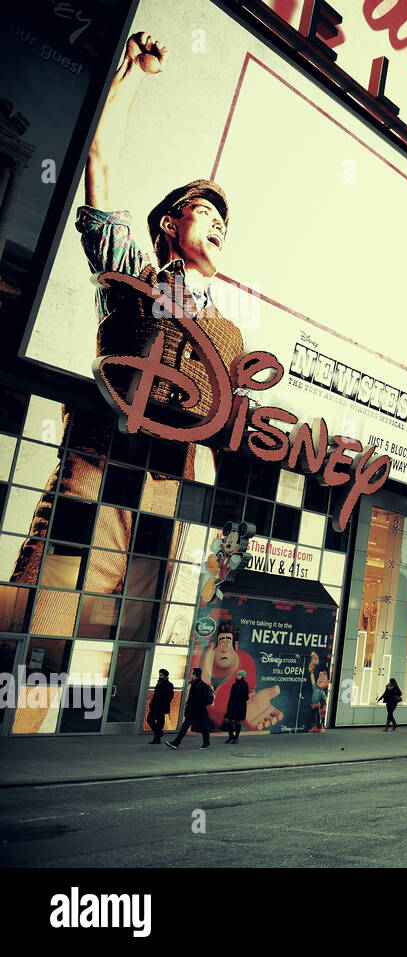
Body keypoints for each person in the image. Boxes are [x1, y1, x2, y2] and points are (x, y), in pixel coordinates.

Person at [9, 30, 244, 635]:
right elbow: (100, 160)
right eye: (205, 213)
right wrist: (134, 71)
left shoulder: (230, 332)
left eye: (224, 221)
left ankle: (117, 721)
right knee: (50, 606)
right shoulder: (132, 276)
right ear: (169, 224)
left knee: (142, 629)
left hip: (177, 481)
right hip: (98, 461)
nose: (219, 225)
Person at [167, 668, 214, 750]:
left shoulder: (202, 685)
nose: (191, 675)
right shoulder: (194, 684)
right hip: (193, 710)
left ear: (195, 675)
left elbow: (205, 699)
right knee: (185, 727)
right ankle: (176, 743)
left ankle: (206, 742)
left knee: (203, 727)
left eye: (192, 674)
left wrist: (198, 704)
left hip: (199, 711)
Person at [146, 669, 174, 744]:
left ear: (165, 676)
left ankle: (157, 739)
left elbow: (169, 697)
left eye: (161, 675)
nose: (160, 676)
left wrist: (163, 704)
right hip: (155, 706)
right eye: (159, 674)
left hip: (161, 707)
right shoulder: (159, 683)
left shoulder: (168, 685)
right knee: (150, 720)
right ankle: (159, 733)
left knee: (159, 722)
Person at [224, 670, 249, 743]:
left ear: (243, 676)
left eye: (240, 675)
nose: (238, 676)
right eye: (237, 675)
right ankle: (231, 736)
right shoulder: (234, 685)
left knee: (238, 722)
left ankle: (236, 738)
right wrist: (229, 704)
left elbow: (246, 697)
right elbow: (231, 696)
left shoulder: (245, 685)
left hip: (240, 706)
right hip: (232, 706)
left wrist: (241, 703)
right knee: (227, 720)